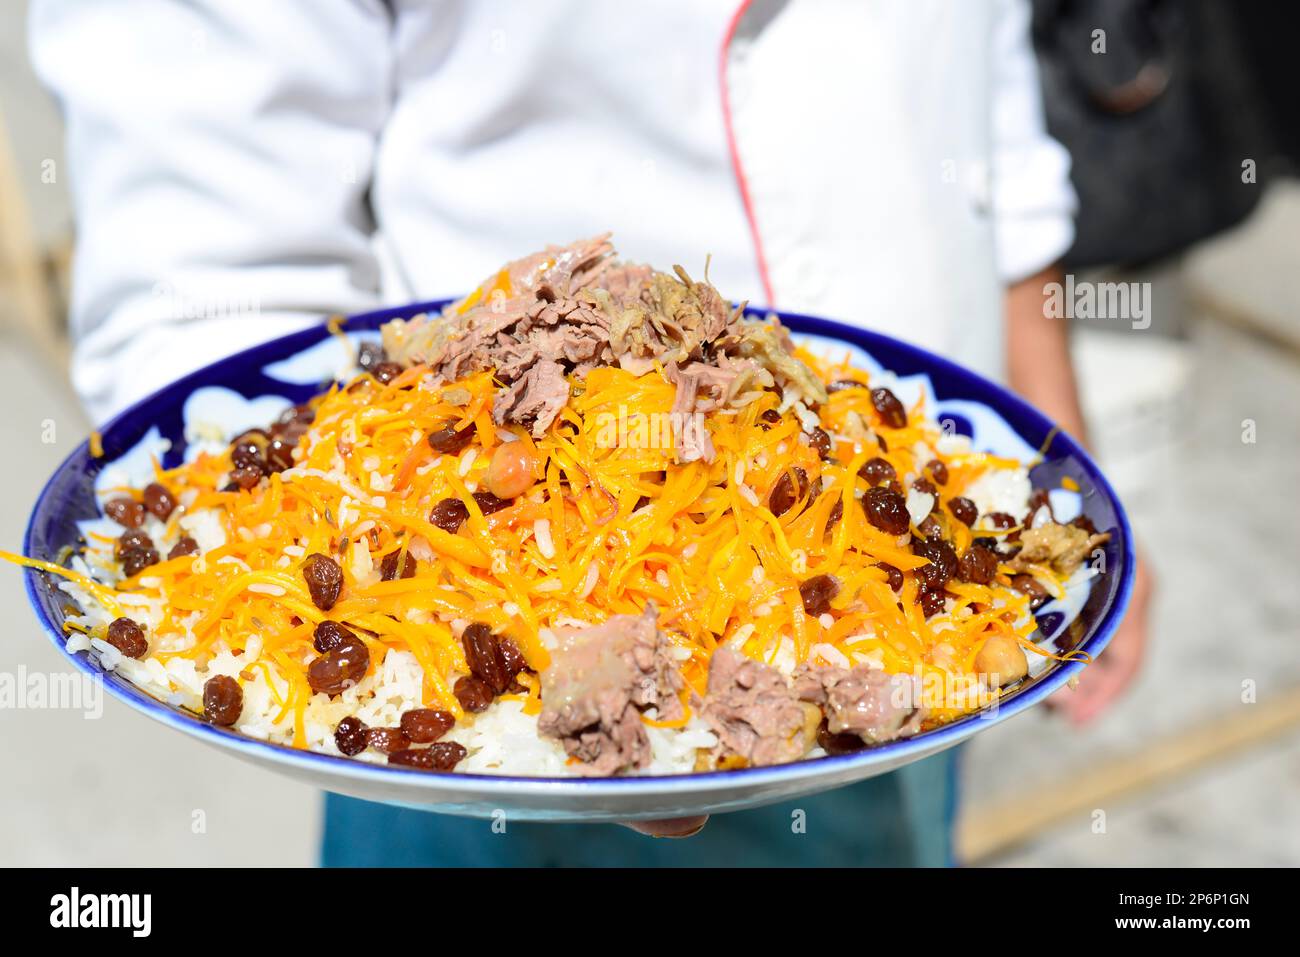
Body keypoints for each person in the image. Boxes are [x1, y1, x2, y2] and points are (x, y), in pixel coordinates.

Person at [31, 0, 1151, 866]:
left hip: (908, 598)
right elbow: (204, 250)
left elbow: (985, 79)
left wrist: (1051, 454)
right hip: (463, 720)